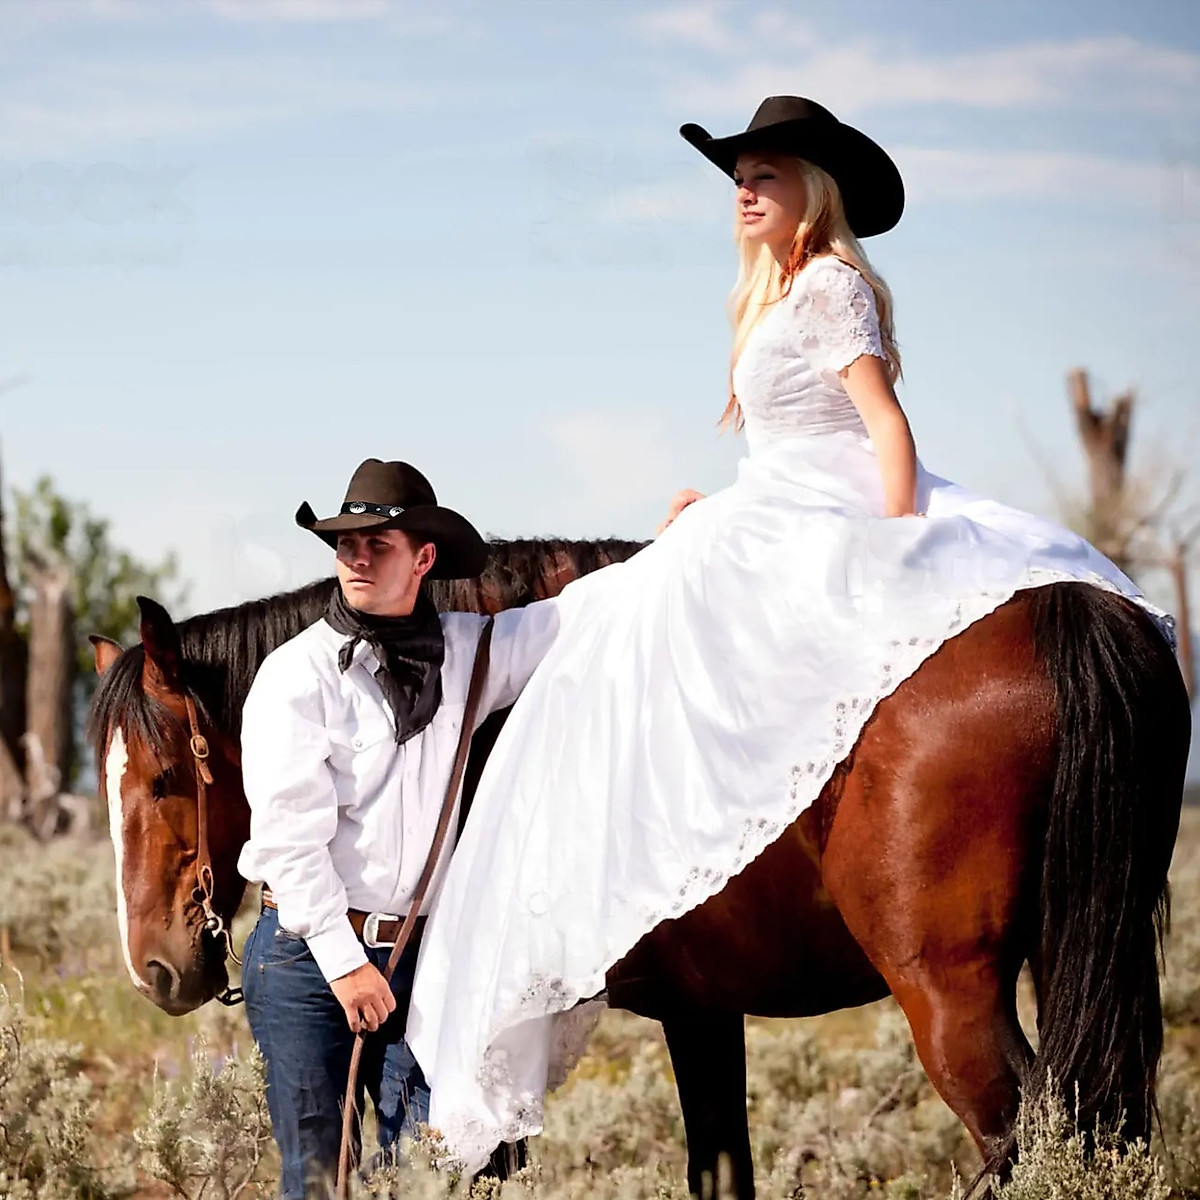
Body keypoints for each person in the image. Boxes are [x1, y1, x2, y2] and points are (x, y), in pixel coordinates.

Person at [404, 96, 1177, 1171]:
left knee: (635, 661)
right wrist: (700, 513)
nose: (744, 187)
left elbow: (884, 426)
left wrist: (902, 543)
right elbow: (781, 445)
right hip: (766, 506)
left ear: (816, 188)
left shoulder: (827, 288)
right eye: (738, 173)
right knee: (635, 630)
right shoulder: (780, 293)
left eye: (767, 170)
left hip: (827, 509)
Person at [236, 458, 559, 1199]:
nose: (354, 557)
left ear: (423, 557)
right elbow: (290, 841)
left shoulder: (471, 650)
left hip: (422, 958)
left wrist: (677, 546)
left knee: (422, 1172)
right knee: (319, 1177)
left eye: (376, 544)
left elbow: (578, 619)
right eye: (345, 543)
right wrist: (345, 964)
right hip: (307, 958)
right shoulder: (297, 676)